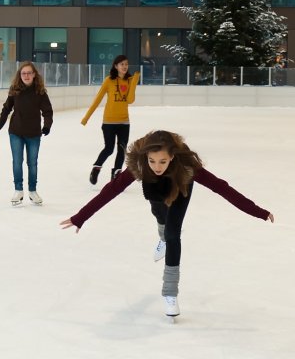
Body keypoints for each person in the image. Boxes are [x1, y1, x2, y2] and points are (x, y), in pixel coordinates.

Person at [61, 129, 273, 320]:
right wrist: (81, 216)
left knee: (173, 234)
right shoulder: (141, 165)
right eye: (152, 161)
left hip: (180, 185)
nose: (157, 166)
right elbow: (111, 190)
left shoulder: (187, 166)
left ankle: (170, 293)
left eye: (162, 161)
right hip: (154, 189)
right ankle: (162, 235)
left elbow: (222, 188)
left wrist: (258, 212)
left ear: (171, 157)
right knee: (159, 213)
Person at [0, 61, 53, 206]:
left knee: (32, 163)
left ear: (34, 75)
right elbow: (6, 109)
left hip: (34, 133)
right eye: (23, 73)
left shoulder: (40, 92)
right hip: (16, 132)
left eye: (29, 73)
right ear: (20, 75)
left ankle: (32, 191)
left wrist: (47, 126)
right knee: (17, 162)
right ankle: (18, 190)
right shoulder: (15, 90)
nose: (26, 75)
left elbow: (47, 111)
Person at [82, 56, 139, 186]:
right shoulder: (109, 81)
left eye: (126, 64)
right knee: (109, 148)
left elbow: (130, 100)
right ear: (115, 66)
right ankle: (96, 167)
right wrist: (87, 117)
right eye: (121, 64)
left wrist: (134, 81)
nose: (124, 66)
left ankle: (116, 174)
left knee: (122, 149)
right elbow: (97, 99)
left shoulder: (130, 80)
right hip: (109, 122)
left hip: (124, 122)